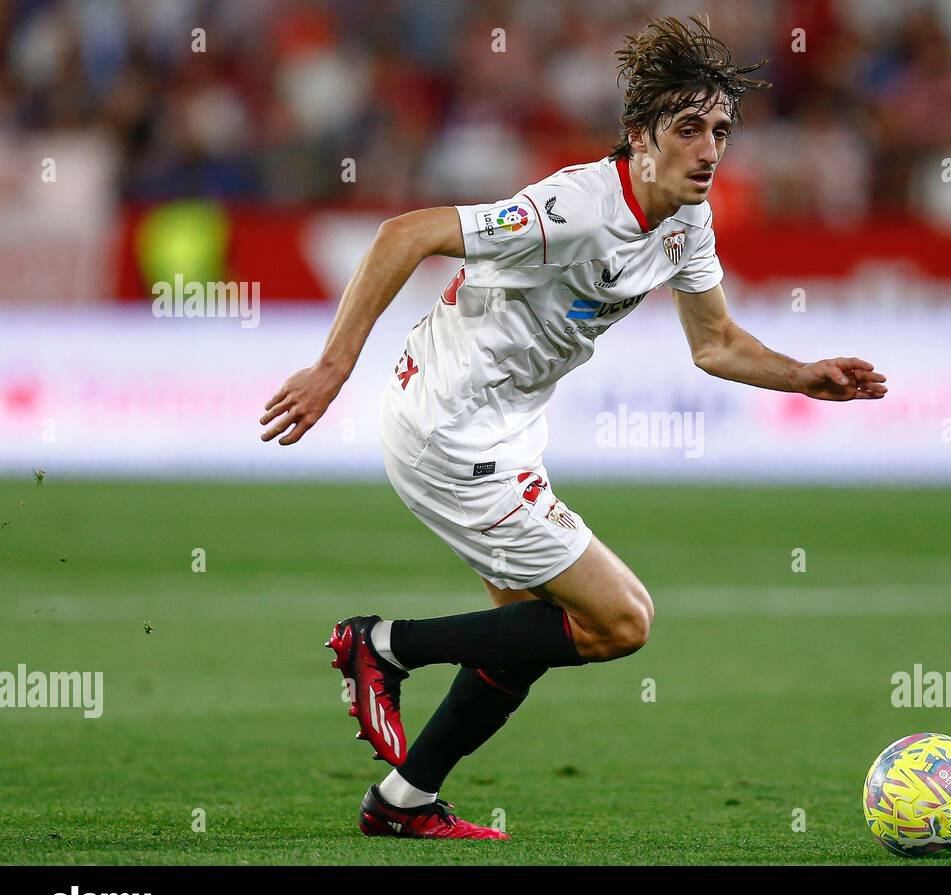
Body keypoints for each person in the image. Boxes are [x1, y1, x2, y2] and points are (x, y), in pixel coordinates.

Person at [260, 14, 886, 840]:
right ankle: (383, 646)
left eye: (722, 132)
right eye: (688, 129)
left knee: (523, 639)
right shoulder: (572, 208)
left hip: (501, 427)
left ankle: (402, 802)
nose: (708, 150)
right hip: (451, 434)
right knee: (621, 620)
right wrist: (333, 367)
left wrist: (803, 376)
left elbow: (717, 344)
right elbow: (403, 233)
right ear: (639, 136)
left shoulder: (686, 218)